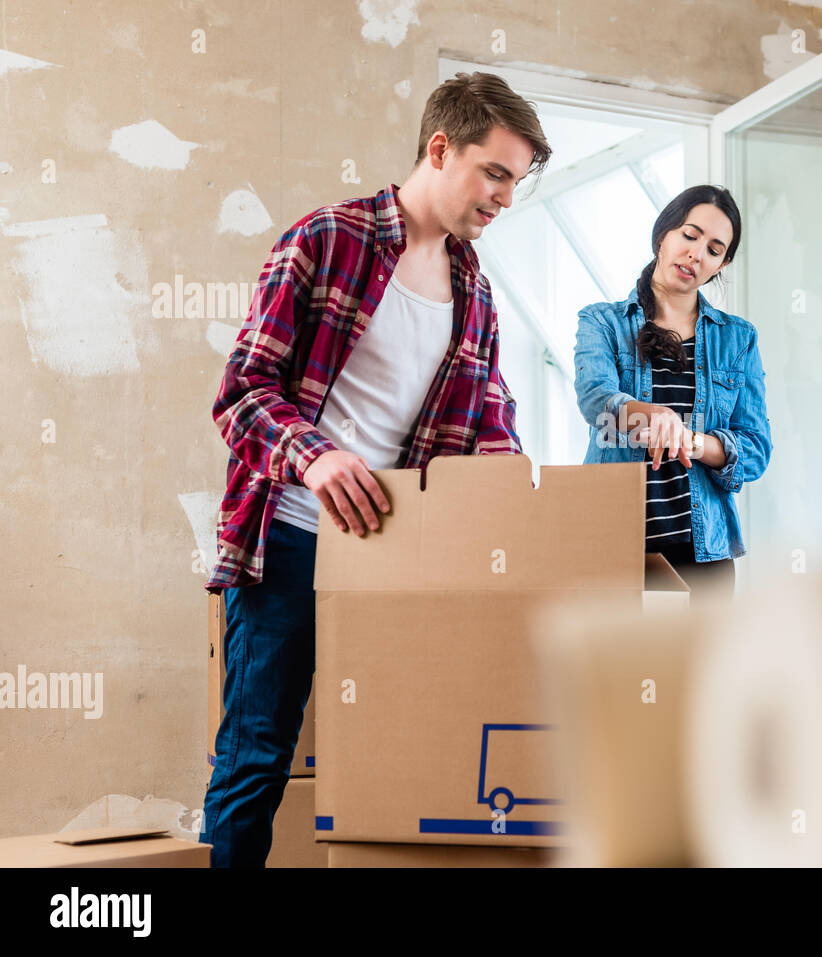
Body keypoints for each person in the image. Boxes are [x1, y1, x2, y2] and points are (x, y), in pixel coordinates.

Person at [200, 72, 550, 867]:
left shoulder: (476, 292)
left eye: (516, 183)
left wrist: (530, 505)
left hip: (394, 559)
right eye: (494, 172)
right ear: (440, 149)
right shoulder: (326, 239)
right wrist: (314, 456)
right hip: (288, 542)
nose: (503, 197)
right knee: (257, 758)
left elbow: (490, 422)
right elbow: (240, 391)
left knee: (401, 761)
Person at [573, 185, 772, 597]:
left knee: (700, 664)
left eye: (715, 249)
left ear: (722, 264)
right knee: (617, 663)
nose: (697, 254)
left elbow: (755, 450)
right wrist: (650, 414)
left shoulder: (738, 339)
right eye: (690, 234)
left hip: (704, 556)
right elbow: (596, 397)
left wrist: (692, 441)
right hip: (612, 547)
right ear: (663, 234)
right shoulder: (603, 322)